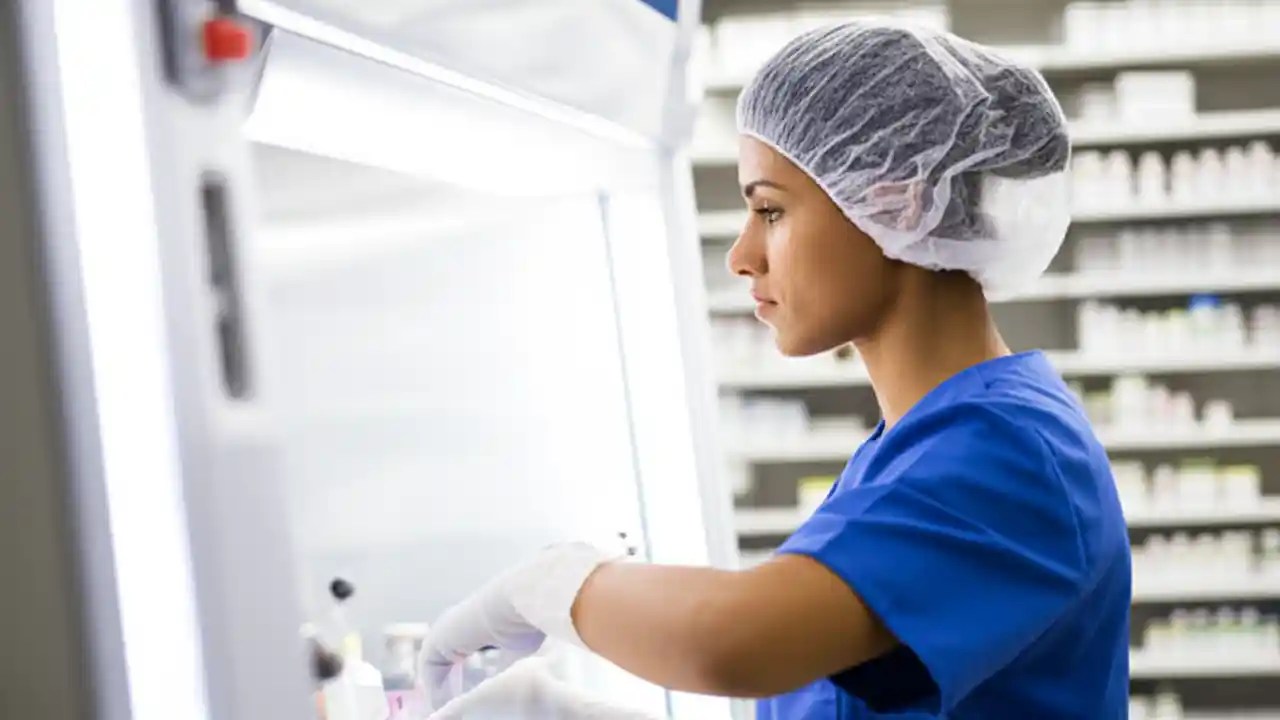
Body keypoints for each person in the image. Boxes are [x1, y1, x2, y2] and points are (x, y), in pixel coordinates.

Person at [422, 20, 1131, 720]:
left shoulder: (1009, 451)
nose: (742, 257)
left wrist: (547, 585)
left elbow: (730, 641)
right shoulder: (917, 444)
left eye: (770, 211)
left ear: (899, 199)